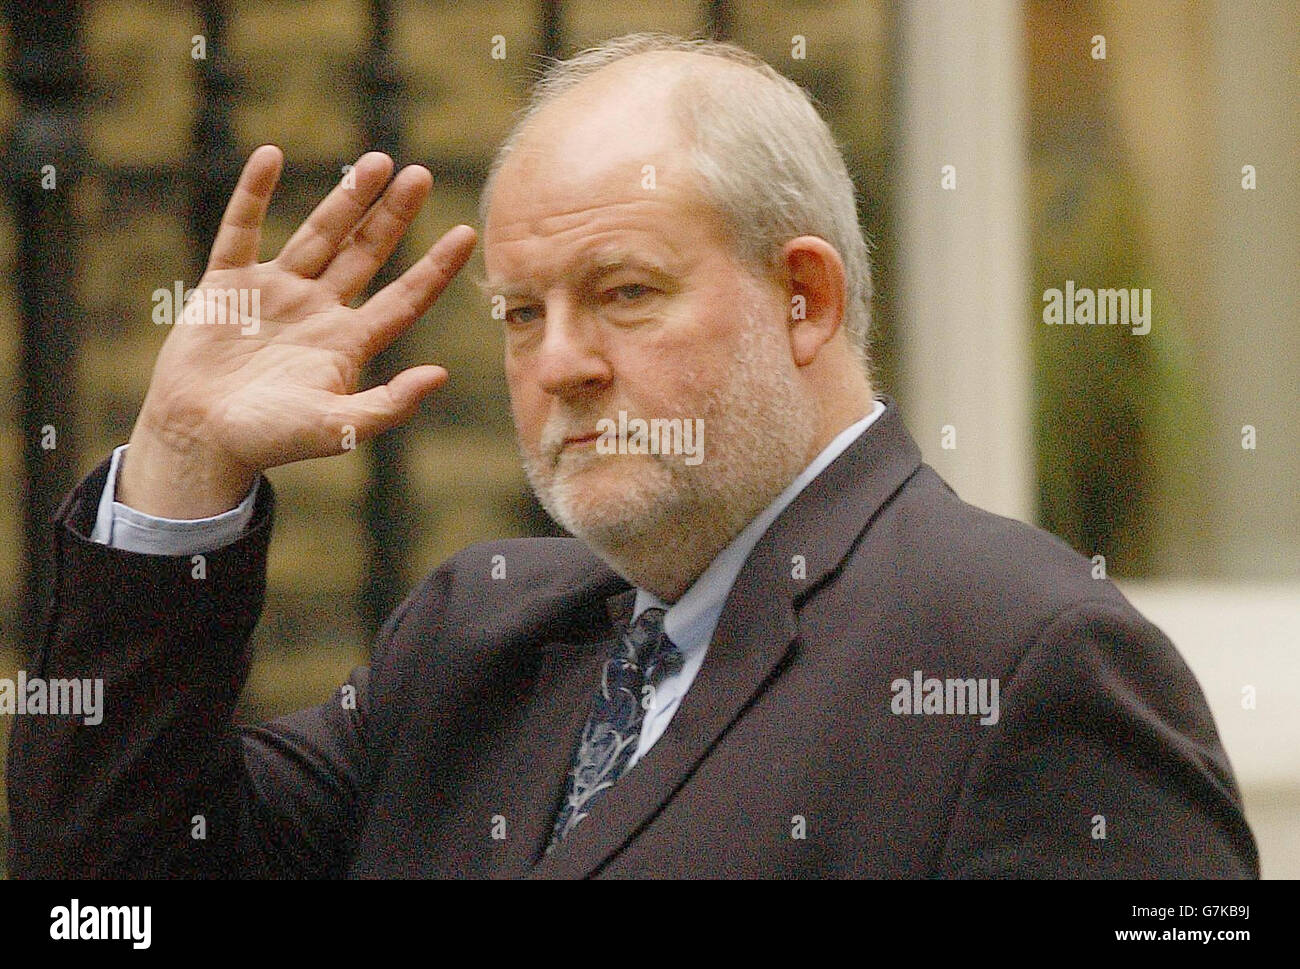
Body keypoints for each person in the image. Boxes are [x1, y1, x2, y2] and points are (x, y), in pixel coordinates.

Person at [7, 34, 1258, 878]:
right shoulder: (472, 640)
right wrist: (181, 461)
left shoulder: (1025, 657)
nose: (559, 363)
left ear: (804, 300)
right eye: (520, 313)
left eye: (623, 293)